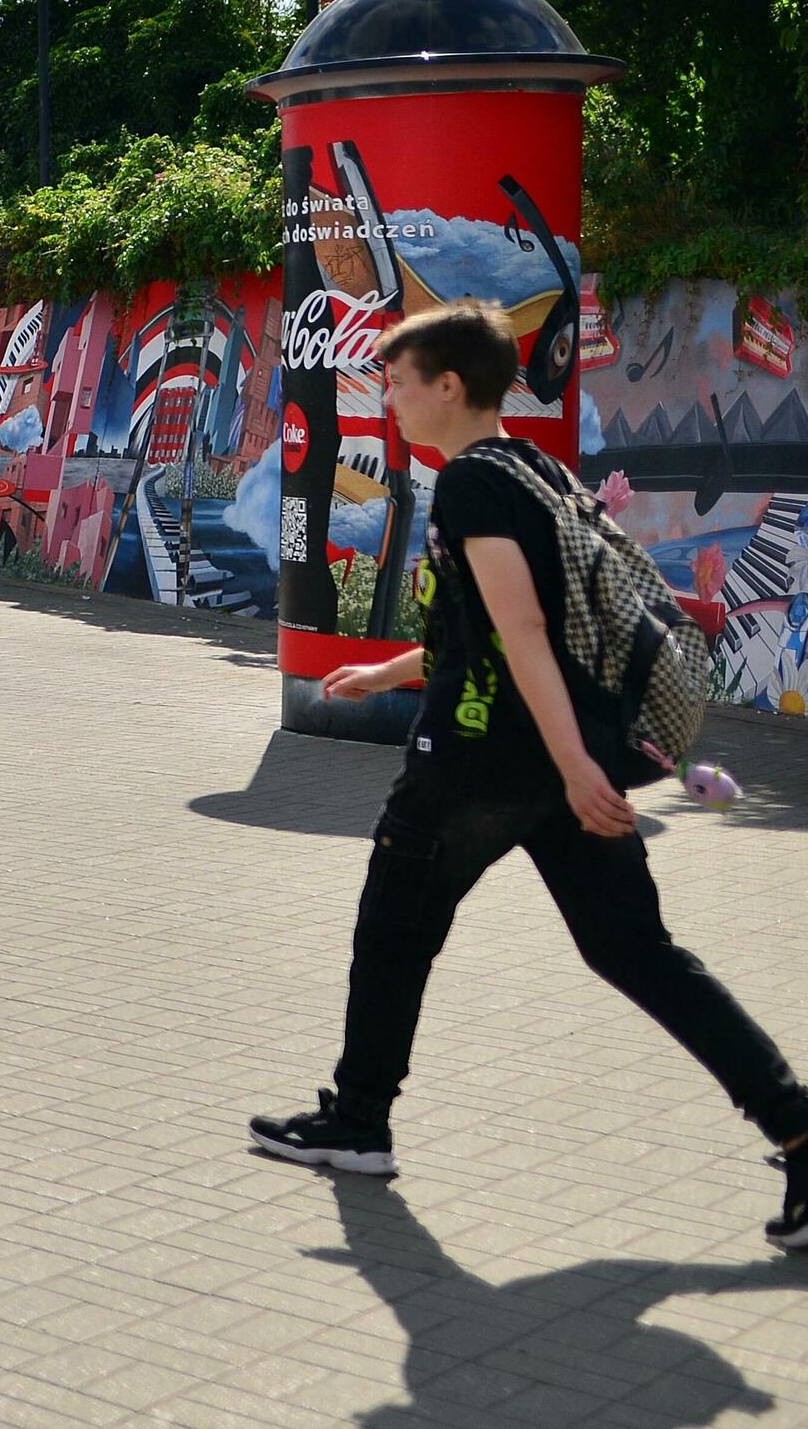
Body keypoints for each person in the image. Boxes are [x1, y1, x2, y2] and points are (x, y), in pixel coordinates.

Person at [248, 302, 808, 1251]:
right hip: (553, 756)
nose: (387, 398)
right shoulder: (536, 472)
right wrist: (388, 673)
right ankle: (796, 1125)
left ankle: (358, 1122)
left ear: (448, 386)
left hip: (481, 759)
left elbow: (524, 632)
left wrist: (571, 764)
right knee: (634, 953)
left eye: (396, 380)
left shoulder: (469, 482)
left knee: (393, 929)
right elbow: (484, 626)